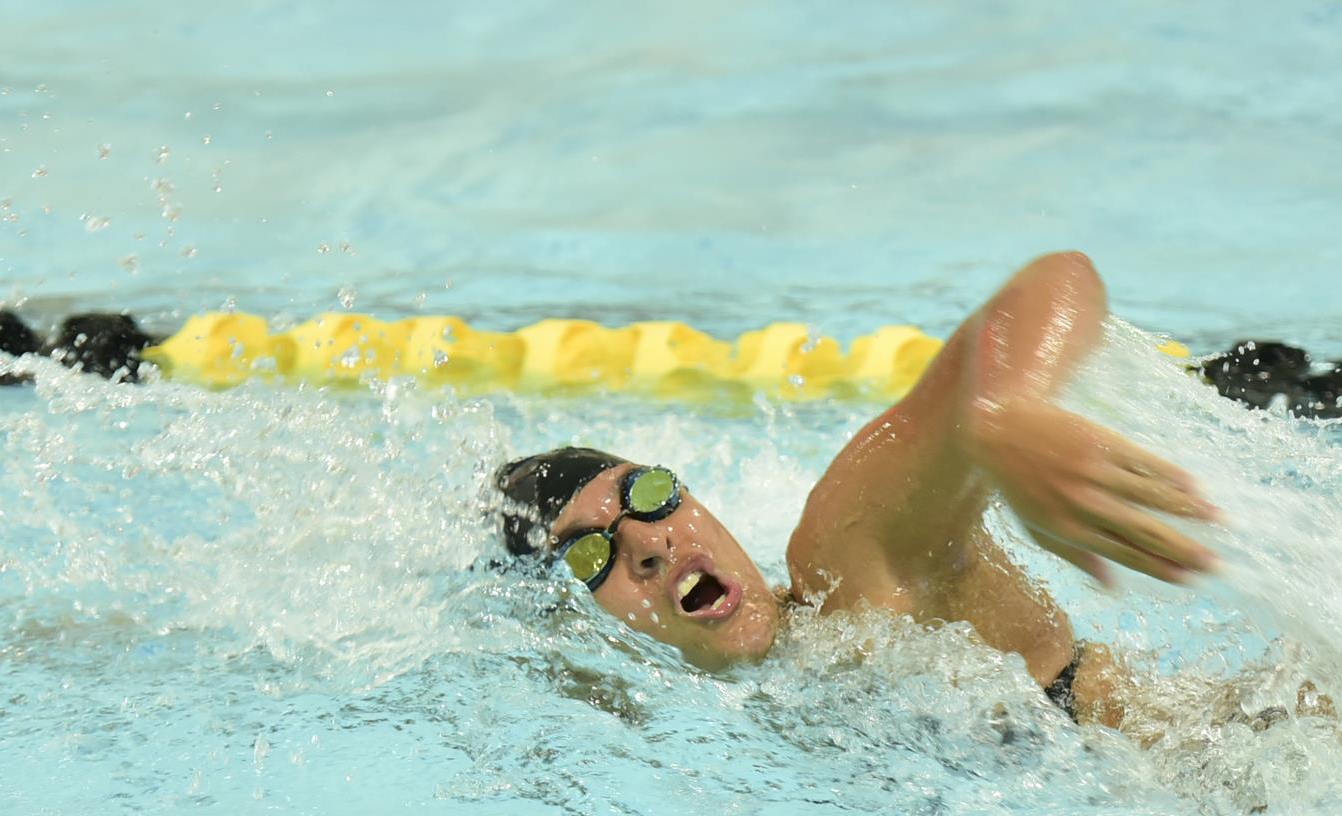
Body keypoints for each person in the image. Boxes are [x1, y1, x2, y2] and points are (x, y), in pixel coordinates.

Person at [493, 251, 1221, 729]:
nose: (650, 543)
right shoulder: (668, 719)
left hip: (1239, 776)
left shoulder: (850, 563)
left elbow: (1058, 280)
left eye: (650, 494)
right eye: (591, 556)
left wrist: (1004, 417)